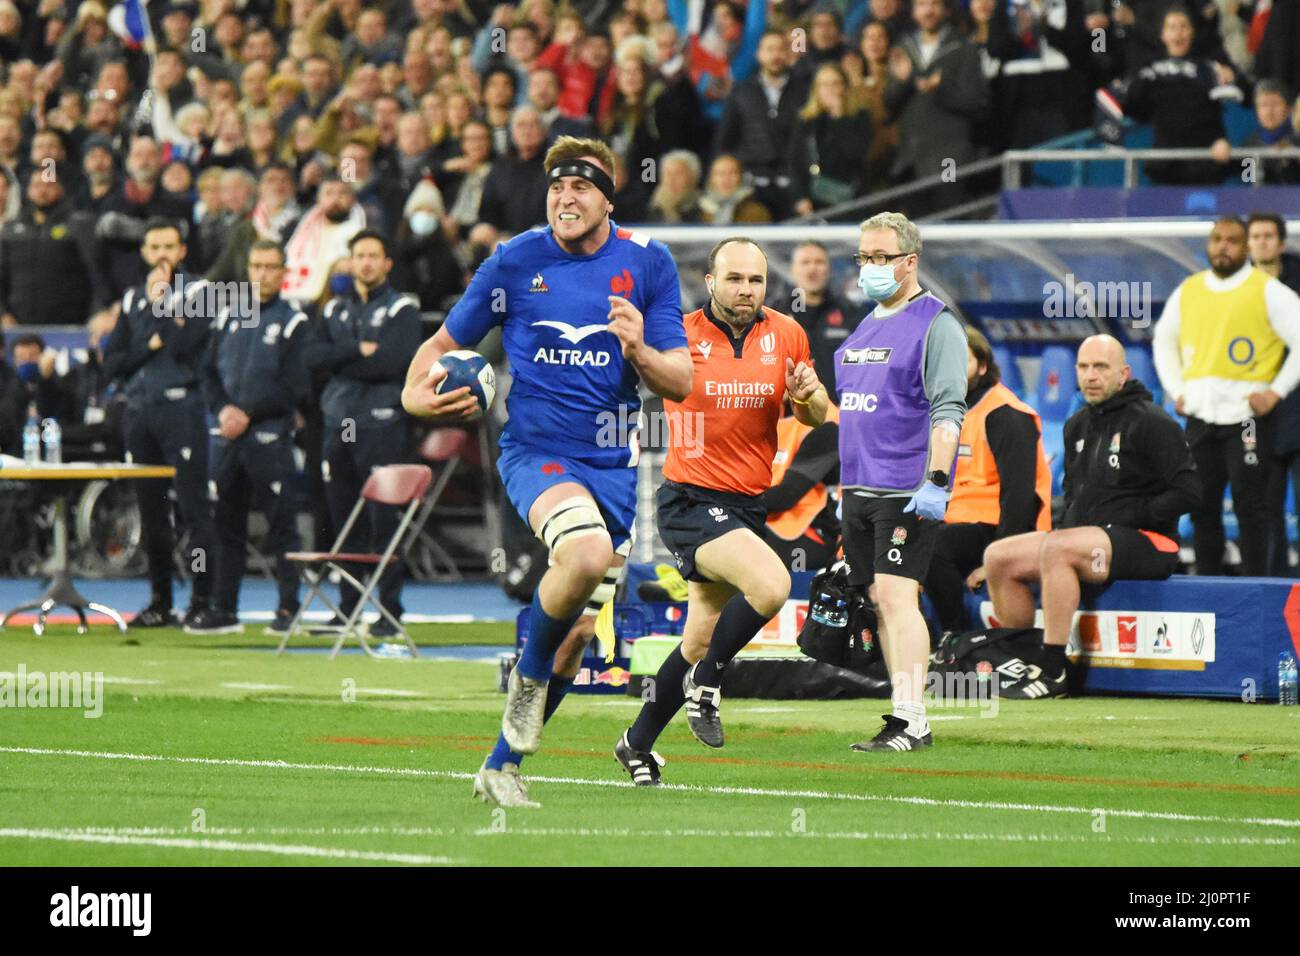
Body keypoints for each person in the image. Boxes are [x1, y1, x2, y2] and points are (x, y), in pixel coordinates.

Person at [400, 136, 691, 807]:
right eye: (558, 186)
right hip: (535, 452)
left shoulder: (649, 263)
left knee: (580, 638)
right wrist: (416, 396)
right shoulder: (514, 260)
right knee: (585, 554)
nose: (566, 197)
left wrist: (640, 348)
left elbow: (679, 381)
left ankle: (501, 766)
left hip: (613, 464)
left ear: (607, 198)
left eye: (581, 186)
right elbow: (441, 347)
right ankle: (525, 684)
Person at [615, 238, 827, 784]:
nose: (745, 290)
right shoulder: (679, 333)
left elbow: (816, 416)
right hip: (690, 499)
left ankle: (636, 743)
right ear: (711, 281)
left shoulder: (787, 334)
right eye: (734, 279)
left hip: (747, 504)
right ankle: (707, 684)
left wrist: (806, 395)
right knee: (773, 585)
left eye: (755, 280)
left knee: (698, 637)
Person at [984, 335, 1200, 698]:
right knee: (998, 557)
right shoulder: (1077, 425)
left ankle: (1054, 670)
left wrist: (1140, 514)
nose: (1090, 376)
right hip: (1086, 540)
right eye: (1083, 367)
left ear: (1123, 374)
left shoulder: (1153, 423)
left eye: (1101, 367)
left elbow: (1190, 491)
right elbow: (1072, 496)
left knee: (1058, 548)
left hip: (1148, 542)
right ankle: (1022, 662)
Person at [833, 211, 968, 751]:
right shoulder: (865, 326)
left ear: (910, 262)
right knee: (878, 598)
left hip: (905, 489)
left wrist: (936, 480)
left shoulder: (938, 323)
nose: (870, 267)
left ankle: (912, 718)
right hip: (858, 488)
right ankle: (906, 716)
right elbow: (846, 411)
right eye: (864, 258)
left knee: (895, 594)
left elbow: (948, 410)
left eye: (881, 258)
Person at [1153, 216, 1300, 576]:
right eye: (1217, 239)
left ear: (1245, 247)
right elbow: (1163, 341)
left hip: (1248, 420)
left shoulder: (1268, 291)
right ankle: (1208, 584)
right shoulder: (1189, 290)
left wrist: (1276, 392)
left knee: (1253, 507)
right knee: (1201, 505)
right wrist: (1177, 389)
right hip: (1201, 418)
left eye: (1232, 240)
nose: (1223, 246)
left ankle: (1255, 587)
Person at [302, 229, 423, 637]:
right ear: (350, 262)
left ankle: (390, 611)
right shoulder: (335, 309)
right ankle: (348, 608)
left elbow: (394, 362)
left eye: (374, 255)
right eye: (360, 256)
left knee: (383, 518)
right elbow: (311, 357)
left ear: (387, 262)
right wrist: (357, 351)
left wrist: (341, 360)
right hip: (339, 422)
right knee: (342, 519)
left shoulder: (402, 307)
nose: (366, 262)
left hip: (383, 423)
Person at [102, 217, 220, 631]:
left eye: (169, 246)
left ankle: (204, 599)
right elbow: (112, 363)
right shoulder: (133, 297)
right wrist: (150, 341)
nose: (162, 255)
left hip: (181, 408)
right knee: (151, 512)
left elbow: (188, 346)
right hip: (140, 410)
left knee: (193, 509)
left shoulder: (201, 293)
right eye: (154, 248)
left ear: (182, 251)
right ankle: (160, 601)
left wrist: (161, 311)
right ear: (144, 252)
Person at [202, 240, 309, 636]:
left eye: (270, 266)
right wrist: (223, 410)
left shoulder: (294, 321)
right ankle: (224, 608)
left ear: (284, 272)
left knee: (282, 525)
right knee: (225, 526)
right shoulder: (228, 315)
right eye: (256, 265)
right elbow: (208, 372)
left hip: (269, 437)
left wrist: (248, 413)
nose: (262, 274)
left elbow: (295, 384)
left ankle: (288, 608)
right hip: (227, 437)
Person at [924, 325, 1051, 634]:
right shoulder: (943, 412)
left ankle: (958, 639)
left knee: (930, 547)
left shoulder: (1006, 415)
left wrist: (998, 560)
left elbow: (1019, 498)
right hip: (956, 521)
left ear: (981, 366)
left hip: (998, 527)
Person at [883, 0, 989, 215]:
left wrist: (940, 89)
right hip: (911, 160)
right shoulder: (903, 49)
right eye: (922, 5)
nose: (928, 10)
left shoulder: (964, 48)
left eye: (934, 4)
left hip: (950, 158)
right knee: (915, 234)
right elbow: (889, 104)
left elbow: (975, 103)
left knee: (948, 225)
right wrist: (904, 83)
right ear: (913, 11)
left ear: (946, 10)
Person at [1245, 212, 1300, 576]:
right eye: (1256, 236)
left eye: (1269, 236)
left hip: (1297, 408)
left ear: (1281, 243)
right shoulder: (1233, 285)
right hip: (1255, 412)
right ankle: (1273, 586)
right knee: (1264, 508)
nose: (1262, 242)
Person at [714, 30, 810, 219]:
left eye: (780, 49)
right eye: (769, 49)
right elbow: (724, 143)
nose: (775, 55)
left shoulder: (805, 91)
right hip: (751, 189)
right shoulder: (741, 93)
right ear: (758, 54)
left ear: (789, 54)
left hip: (794, 188)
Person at [0, 173, 108, 327]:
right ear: (28, 190)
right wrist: (3, 314)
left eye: (48, 185)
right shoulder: (11, 229)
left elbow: (95, 272)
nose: (42, 191)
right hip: (19, 329)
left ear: (60, 190)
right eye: (37, 186)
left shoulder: (78, 225)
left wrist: (98, 311)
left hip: (70, 326)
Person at [788, 62, 873, 216]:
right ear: (816, 89)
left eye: (835, 83)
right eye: (824, 84)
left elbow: (856, 153)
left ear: (845, 87)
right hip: (813, 199)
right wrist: (800, 197)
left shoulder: (859, 117)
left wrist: (839, 117)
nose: (830, 89)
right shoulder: (806, 119)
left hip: (851, 198)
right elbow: (794, 161)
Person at [785, 240, 856, 398]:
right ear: (792, 270)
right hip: (791, 417)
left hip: (837, 415)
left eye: (819, 262)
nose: (812, 268)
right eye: (805, 262)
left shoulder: (850, 313)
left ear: (829, 269)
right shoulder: (776, 315)